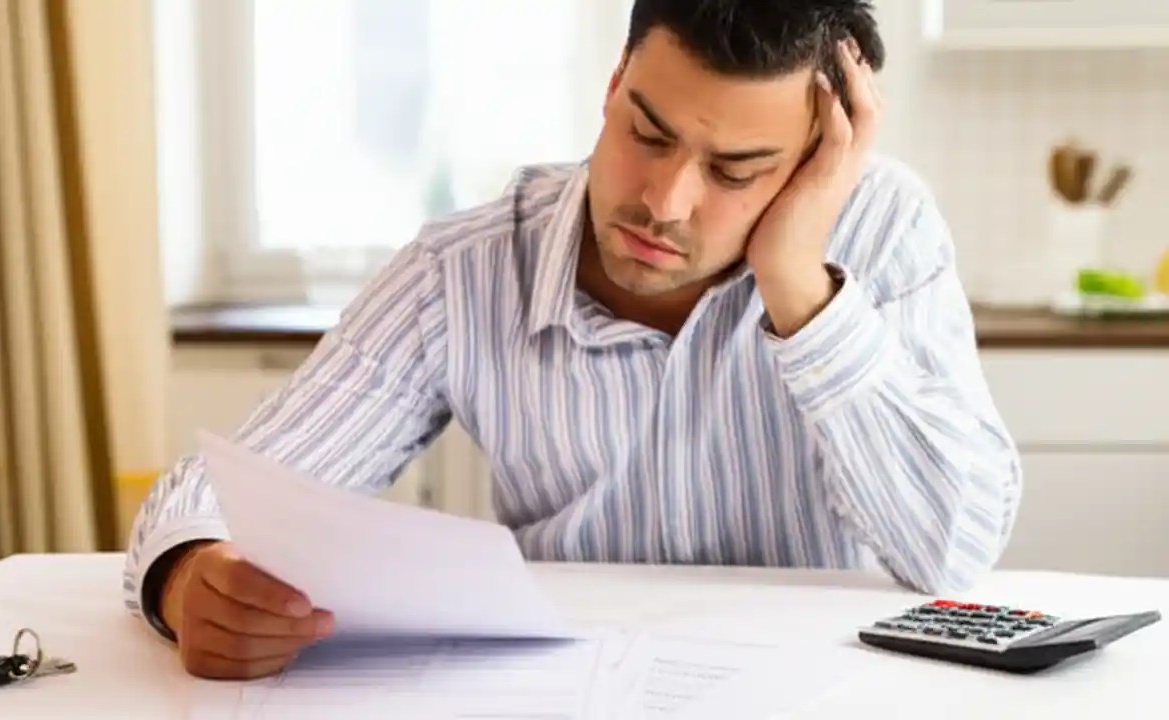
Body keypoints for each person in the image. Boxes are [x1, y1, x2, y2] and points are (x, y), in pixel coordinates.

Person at [125, 0, 1023, 680]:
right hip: (564, 690)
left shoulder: (883, 231)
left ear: (817, 162)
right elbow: (213, 493)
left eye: (736, 170)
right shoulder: (467, 266)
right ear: (613, 84)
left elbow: (950, 548)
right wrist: (190, 577)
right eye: (646, 133)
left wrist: (798, 286)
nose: (663, 203)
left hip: (819, 687)